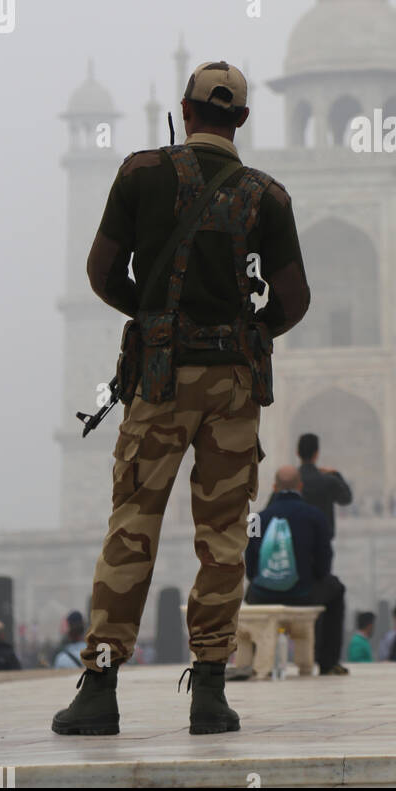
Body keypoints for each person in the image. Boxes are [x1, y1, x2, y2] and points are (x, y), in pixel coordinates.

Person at [52, 61, 310, 737]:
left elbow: (101, 272)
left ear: (187, 110)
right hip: (231, 383)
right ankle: (211, 693)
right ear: (243, 121)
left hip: (161, 377)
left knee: (132, 527)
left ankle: (99, 693)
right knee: (223, 538)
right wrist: (250, 329)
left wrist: (151, 315)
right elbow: (294, 300)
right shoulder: (268, 196)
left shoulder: (141, 174)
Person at [245, 465, 348, 676]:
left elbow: (250, 566)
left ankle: (256, 660)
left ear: (274, 487)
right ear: (300, 486)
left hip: (262, 596)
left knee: (250, 590)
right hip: (303, 595)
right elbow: (323, 566)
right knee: (336, 589)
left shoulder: (256, 519)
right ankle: (328, 662)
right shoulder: (316, 516)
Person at [296, 434, 353, 537]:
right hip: (321, 541)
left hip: (297, 539)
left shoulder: (289, 482)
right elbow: (347, 498)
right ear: (317, 454)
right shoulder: (328, 481)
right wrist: (336, 474)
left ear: (297, 453)